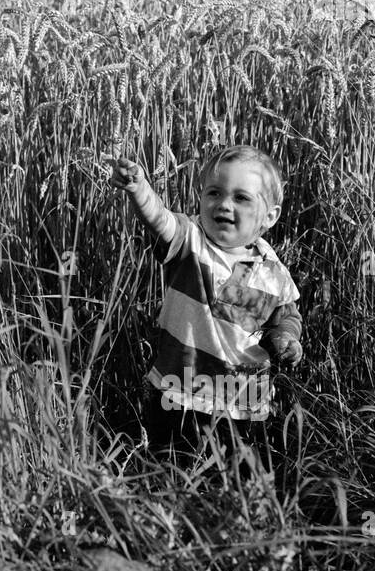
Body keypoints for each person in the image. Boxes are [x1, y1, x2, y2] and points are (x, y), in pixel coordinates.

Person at [109, 144, 302, 488]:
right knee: (169, 476)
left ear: (269, 216)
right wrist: (140, 190)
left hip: (243, 403)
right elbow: (160, 219)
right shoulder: (191, 242)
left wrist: (286, 338)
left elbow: (286, 317)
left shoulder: (273, 272)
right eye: (214, 192)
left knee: (236, 484)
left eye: (241, 198)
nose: (224, 204)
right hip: (177, 393)